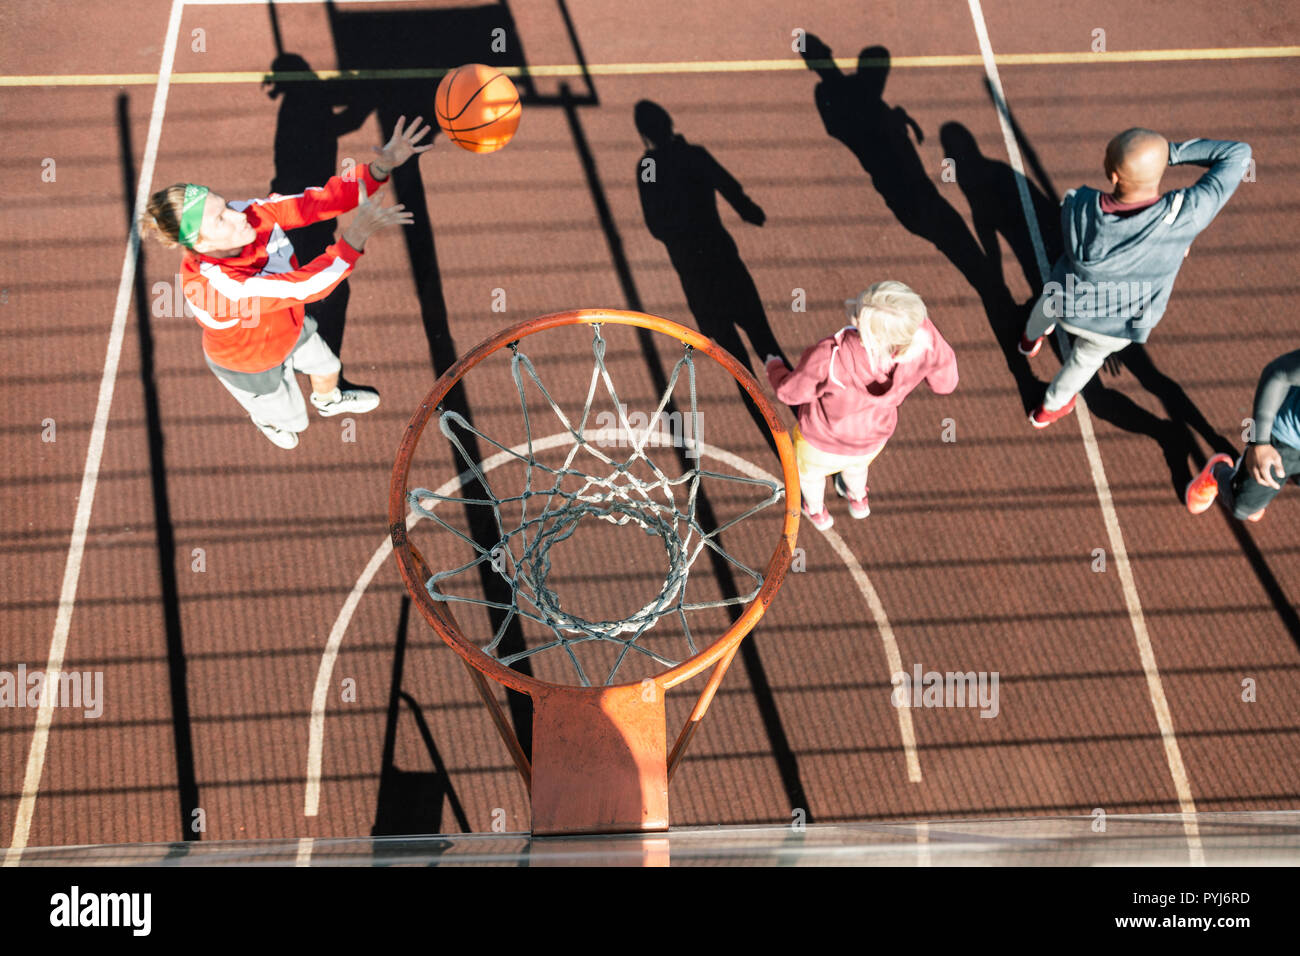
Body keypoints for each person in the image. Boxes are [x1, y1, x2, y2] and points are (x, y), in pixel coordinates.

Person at [139, 116, 433, 448]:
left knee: (328, 366)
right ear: (202, 245)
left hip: (289, 326)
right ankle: (265, 417)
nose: (238, 214)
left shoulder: (248, 214)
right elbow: (307, 286)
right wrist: (357, 234)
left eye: (224, 204)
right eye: (221, 219)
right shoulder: (217, 287)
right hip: (249, 361)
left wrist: (381, 167)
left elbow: (317, 202)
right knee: (294, 422)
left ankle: (328, 401)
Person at [1020, 129, 1251, 428]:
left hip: (1065, 299)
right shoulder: (1184, 218)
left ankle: (1028, 339)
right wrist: (1169, 153)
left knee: (1045, 304)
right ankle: (1047, 409)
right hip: (1115, 325)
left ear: (1113, 176)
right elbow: (1238, 153)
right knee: (1083, 363)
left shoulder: (1078, 203)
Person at [765, 281, 958, 530]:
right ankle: (858, 499)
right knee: (857, 467)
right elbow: (945, 384)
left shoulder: (831, 355)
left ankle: (817, 512)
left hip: (819, 441)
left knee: (810, 477)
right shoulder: (923, 341)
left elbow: (789, 393)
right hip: (872, 438)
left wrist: (775, 368)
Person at [1186, 349, 1300, 521]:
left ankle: (1260, 490)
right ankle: (1217, 471)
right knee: (1242, 507)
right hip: (1284, 436)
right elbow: (1279, 373)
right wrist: (1260, 443)